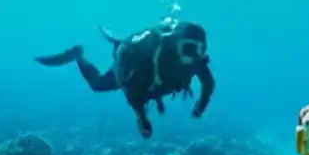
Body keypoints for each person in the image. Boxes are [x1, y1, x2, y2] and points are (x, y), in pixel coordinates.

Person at [35, 18, 215, 138]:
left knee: (153, 87)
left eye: (198, 49)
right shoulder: (142, 61)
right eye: (187, 48)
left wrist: (201, 105)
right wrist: (142, 118)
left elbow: (208, 83)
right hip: (128, 60)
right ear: (174, 44)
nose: (191, 56)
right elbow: (131, 92)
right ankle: (77, 54)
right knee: (98, 85)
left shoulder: (196, 61)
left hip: (154, 77)